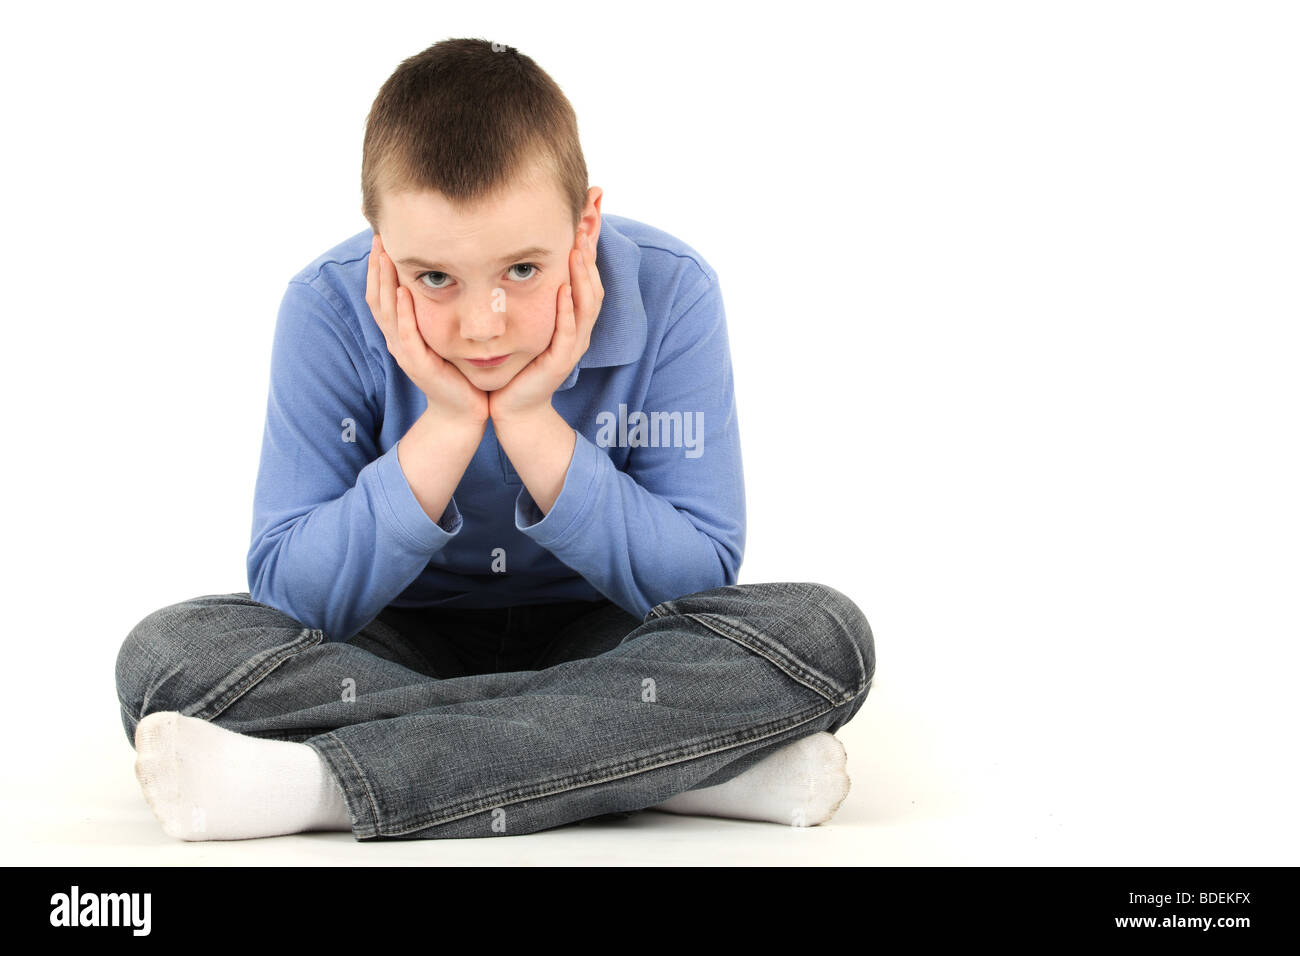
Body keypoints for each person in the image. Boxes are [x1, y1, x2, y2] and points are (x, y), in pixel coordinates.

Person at [117, 37, 876, 842]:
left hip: (608, 636)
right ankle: (661, 765)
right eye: (434, 277)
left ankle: (321, 785)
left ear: (585, 225)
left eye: (522, 269)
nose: (483, 327)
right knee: (166, 657)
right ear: (381, 247)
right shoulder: (326, 306)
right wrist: (448, 425)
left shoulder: (673, 287)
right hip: (391, 644)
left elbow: (690, 581)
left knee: (820, 634)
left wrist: (528, 421)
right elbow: (293, 594)